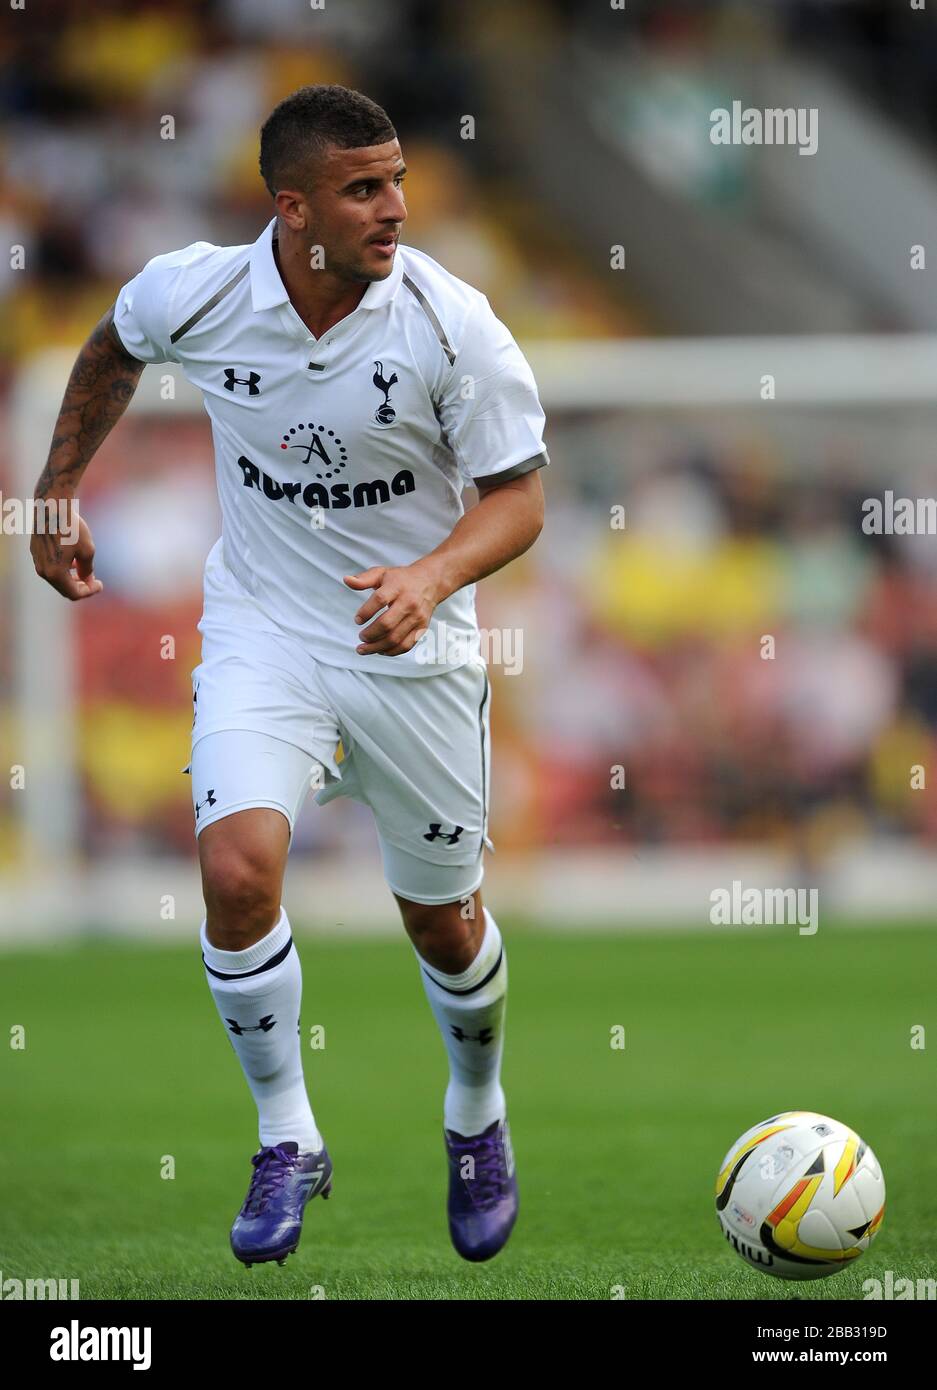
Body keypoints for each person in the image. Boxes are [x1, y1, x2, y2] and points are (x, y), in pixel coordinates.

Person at [30, 84, 548, 1268]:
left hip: (413, 654)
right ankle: (286, 1136)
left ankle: (475, 1110)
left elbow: (518, 497)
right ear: (293, 207)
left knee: (443, 923)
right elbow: (115, 344)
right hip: (265, 633)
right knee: (236, 870)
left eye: (401, 181)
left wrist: (428, 576)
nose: (396, 209)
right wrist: (56, 492)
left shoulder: (451, 323)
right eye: (365, 189)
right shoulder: (198, 291)